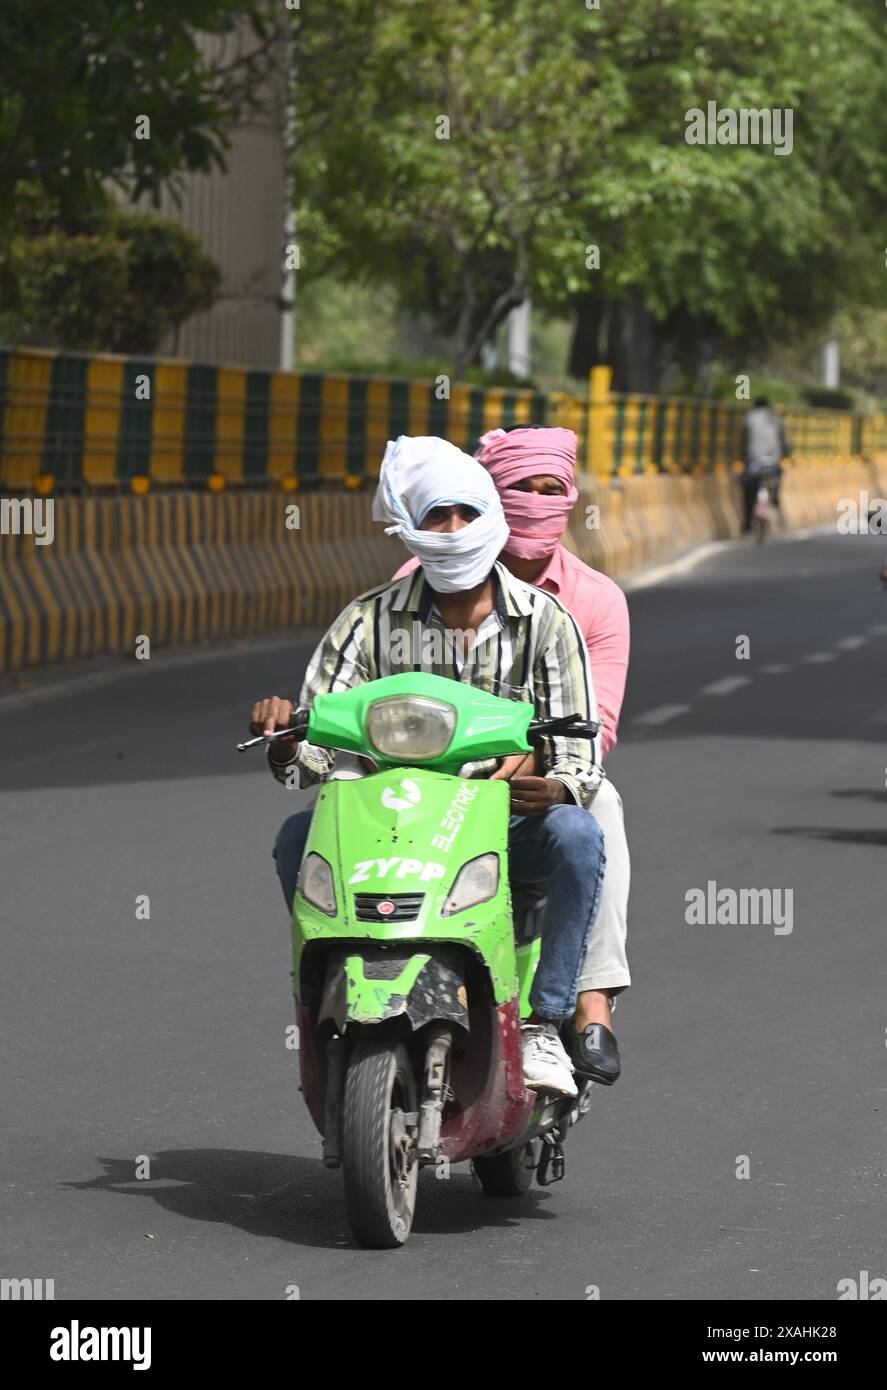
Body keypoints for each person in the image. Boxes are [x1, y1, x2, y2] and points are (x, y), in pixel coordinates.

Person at [252, 435, 607, 1100]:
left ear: (490, 518)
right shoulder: (365, 621)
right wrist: (283, 739)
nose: (451, 530)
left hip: (499, 827)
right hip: (388, 828)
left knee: (578, 839)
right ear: (408, 529)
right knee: (295, 842)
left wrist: (555, 785)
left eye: (465, 514)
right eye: (434, 516)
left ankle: (546, 1019)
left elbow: (580, 758)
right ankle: (323, 999)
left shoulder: (546, 622)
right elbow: (312, 756)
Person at [393, 424, 630, 1085]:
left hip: (536, 789)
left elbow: (596, 729)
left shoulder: (594, 601)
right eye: (518, 487)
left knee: (598, 804)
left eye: (550, 487)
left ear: (570, 497)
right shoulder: (416, 584)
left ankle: (587, 1001)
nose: (534, 499)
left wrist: (540, 762)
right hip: (432, 781)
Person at [740, 397, 791, 533]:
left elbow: (743, 442)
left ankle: (747, 524)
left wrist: (744, 458)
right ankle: (775, 496)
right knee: (776, 478)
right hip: (773, 463)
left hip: (753, 462)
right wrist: (786, 455)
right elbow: (785, 443)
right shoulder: (777, 420)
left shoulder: (748, 418)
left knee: (748, 491)